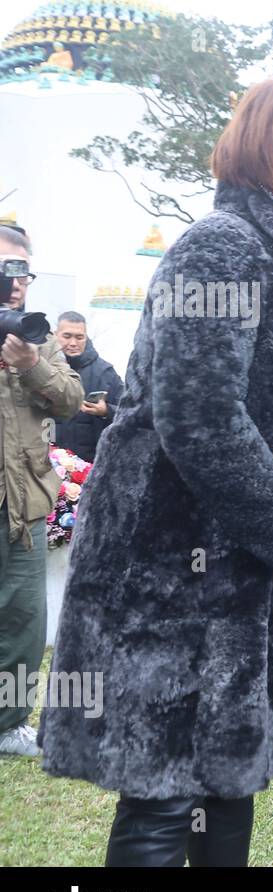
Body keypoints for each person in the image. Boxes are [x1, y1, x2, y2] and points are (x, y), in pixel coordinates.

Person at [39, 76, 273, 865]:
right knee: (163, 787)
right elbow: (198, 414)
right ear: (272, 148)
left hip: (242, 567)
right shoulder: (220, 246)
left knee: (227, 777)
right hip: (176, 566)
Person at [0, 226, 83, 759]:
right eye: (5, 269)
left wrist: (31, 366)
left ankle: (8, 724)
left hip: (22, 501)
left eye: (22, 271)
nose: (14, 282)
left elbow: (71, 398)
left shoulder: (40, 336)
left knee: (25, 620)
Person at [52, 311, 124, 462]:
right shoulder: (41, 367)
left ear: (86, 337)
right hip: (45, 465)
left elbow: (129, 412)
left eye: (79, 337)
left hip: (90, 466)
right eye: (67, 336)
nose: (73, 343)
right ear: (55, 335)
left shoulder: (105, 372)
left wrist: (106, 411)